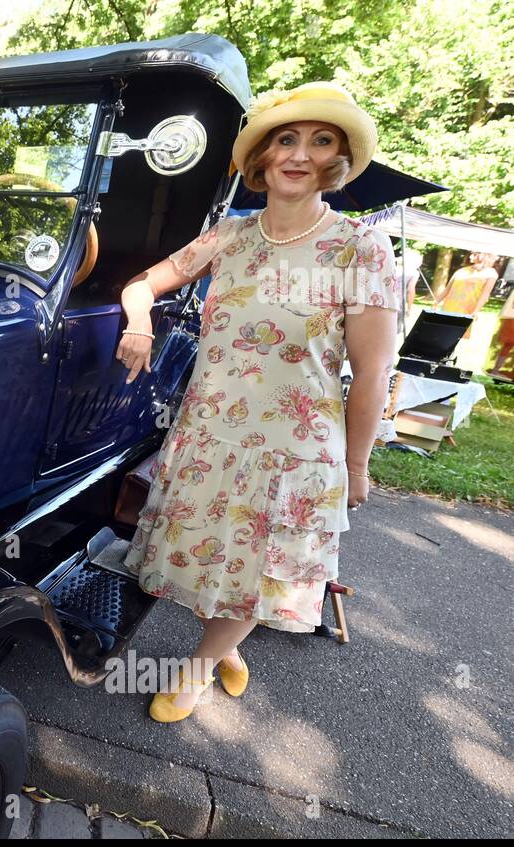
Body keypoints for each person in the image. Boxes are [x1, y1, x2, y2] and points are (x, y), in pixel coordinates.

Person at [116, 82, 399, 723]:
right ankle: (225, 647)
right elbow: (143, 285)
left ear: (338, 158)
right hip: (211, 433)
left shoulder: (361, 248)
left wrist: (356, 466)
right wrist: (140, 322)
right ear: (263, 158)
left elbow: (374, 371)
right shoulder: (230, 236)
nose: (299, 154)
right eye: (285, 140)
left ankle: (196, 666)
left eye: (319, 140)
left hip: (294, 454)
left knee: (258, 571)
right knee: (209, 561)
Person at [434, 251, 498, 340]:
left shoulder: (490, 273)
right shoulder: (461, 271)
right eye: (471, 253)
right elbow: (447, 289)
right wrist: (436, 301)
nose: (471, 256)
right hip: (449, 307)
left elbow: (485, 294)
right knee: (441, 334)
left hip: (466, 310)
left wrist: (476, 310)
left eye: (475, 254)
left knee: (455, 337)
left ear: (485, 255)